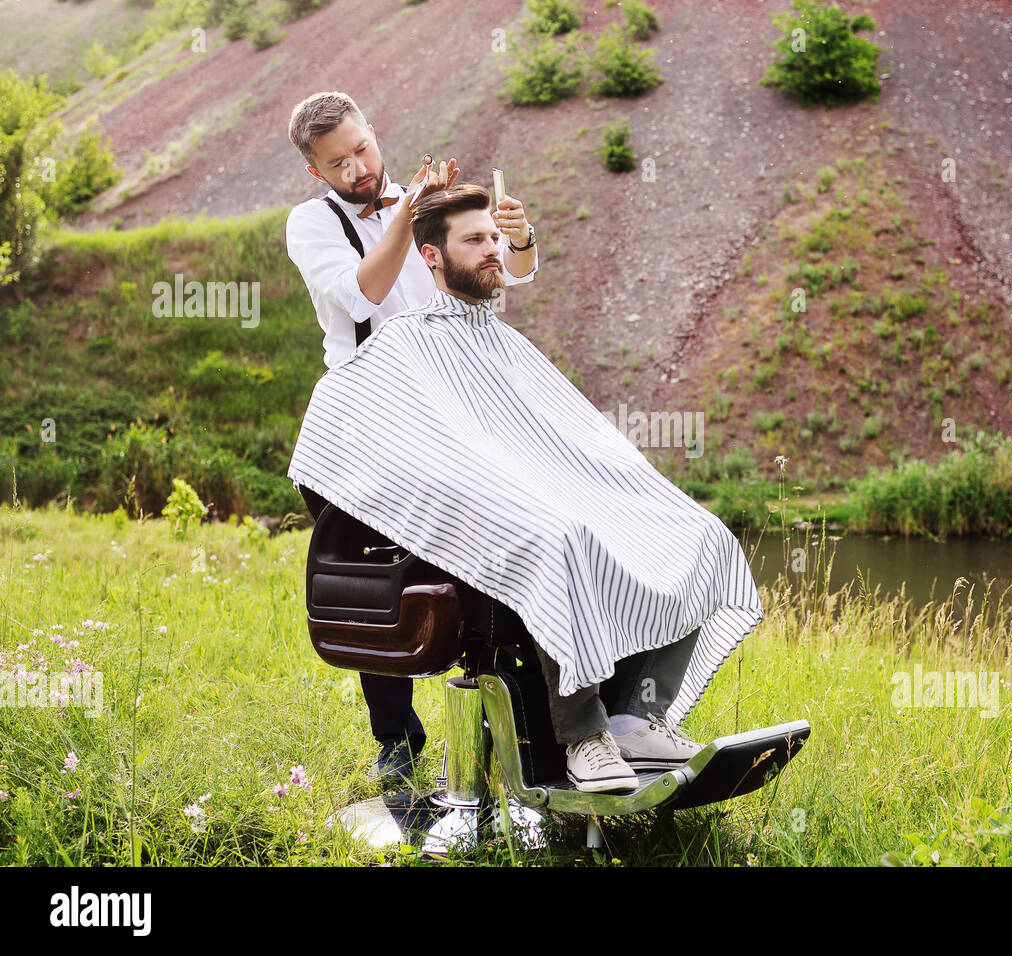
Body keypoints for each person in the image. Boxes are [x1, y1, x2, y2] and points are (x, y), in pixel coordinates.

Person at [286, 184, 766, 793]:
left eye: (495, 238)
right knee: (560, 537)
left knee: (693, 530)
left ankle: (635, 716)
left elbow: (567, 438)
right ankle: (583, 738)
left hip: (536, 498)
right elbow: (341, 428)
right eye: (475, 241)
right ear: (431, 256)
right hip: (475, 527)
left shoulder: (501, 340)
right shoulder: (404, 342)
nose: (493, 252)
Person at [283, 91, 539, 783]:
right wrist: (406, 213)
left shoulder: (429, 203)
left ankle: (506, 734)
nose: (357, 168)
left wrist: (516, 238)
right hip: (363, 421)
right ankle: (396, 741)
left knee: (493, 569)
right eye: (338, 163)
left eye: (361, 149)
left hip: (451, 412)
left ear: (374, 130)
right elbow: (365, 292)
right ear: (315, 172)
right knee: (377, 582)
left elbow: (501, 276)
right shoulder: (310, 224)